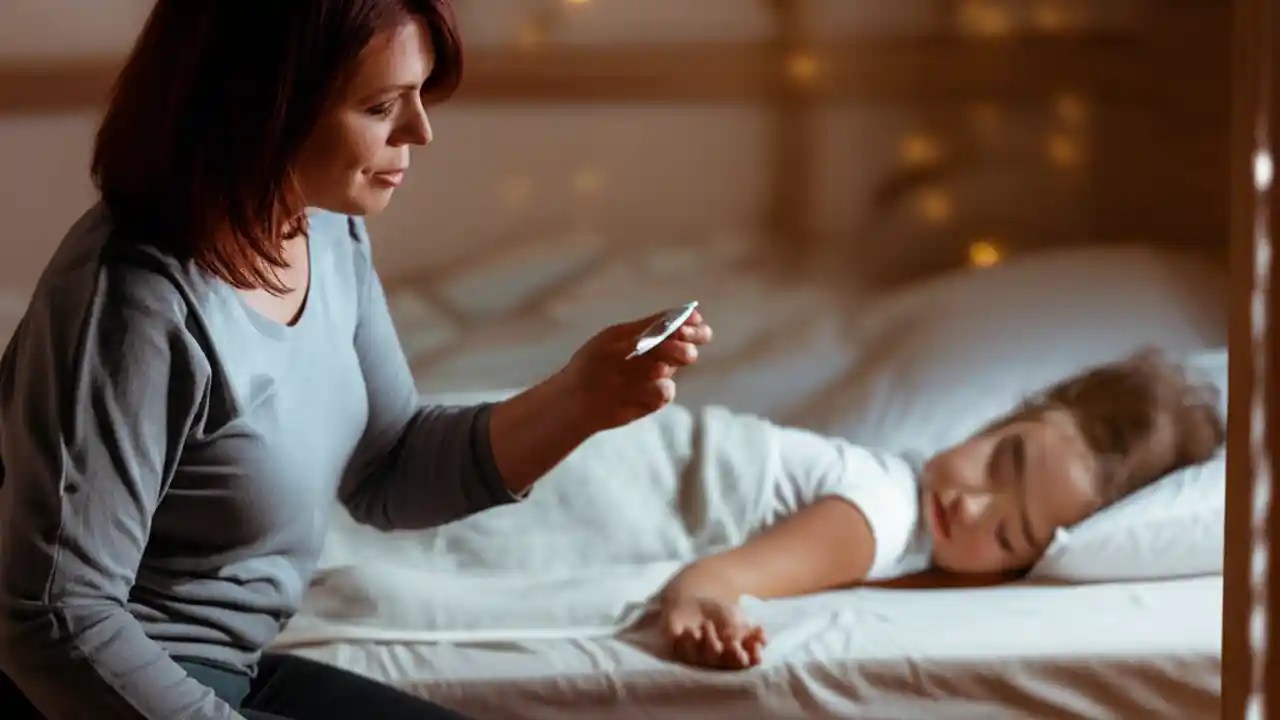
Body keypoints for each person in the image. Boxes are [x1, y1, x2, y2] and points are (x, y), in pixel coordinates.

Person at [0, 2, 712, 719]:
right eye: (380, 107)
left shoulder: (324, 232)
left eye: (419, 95)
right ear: (263, 103)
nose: (420, 131)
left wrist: (580, 398)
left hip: (225, 668)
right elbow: (53, 621)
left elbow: (388, 468)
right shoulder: (135, 304)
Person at [656, 348, 1225, 670]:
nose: (970, 505)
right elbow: (715, 580)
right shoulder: (886, 508)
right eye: (999, 463)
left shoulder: (909, 537)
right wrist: (704, 602)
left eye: (1007, 533)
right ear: (1003, 421)